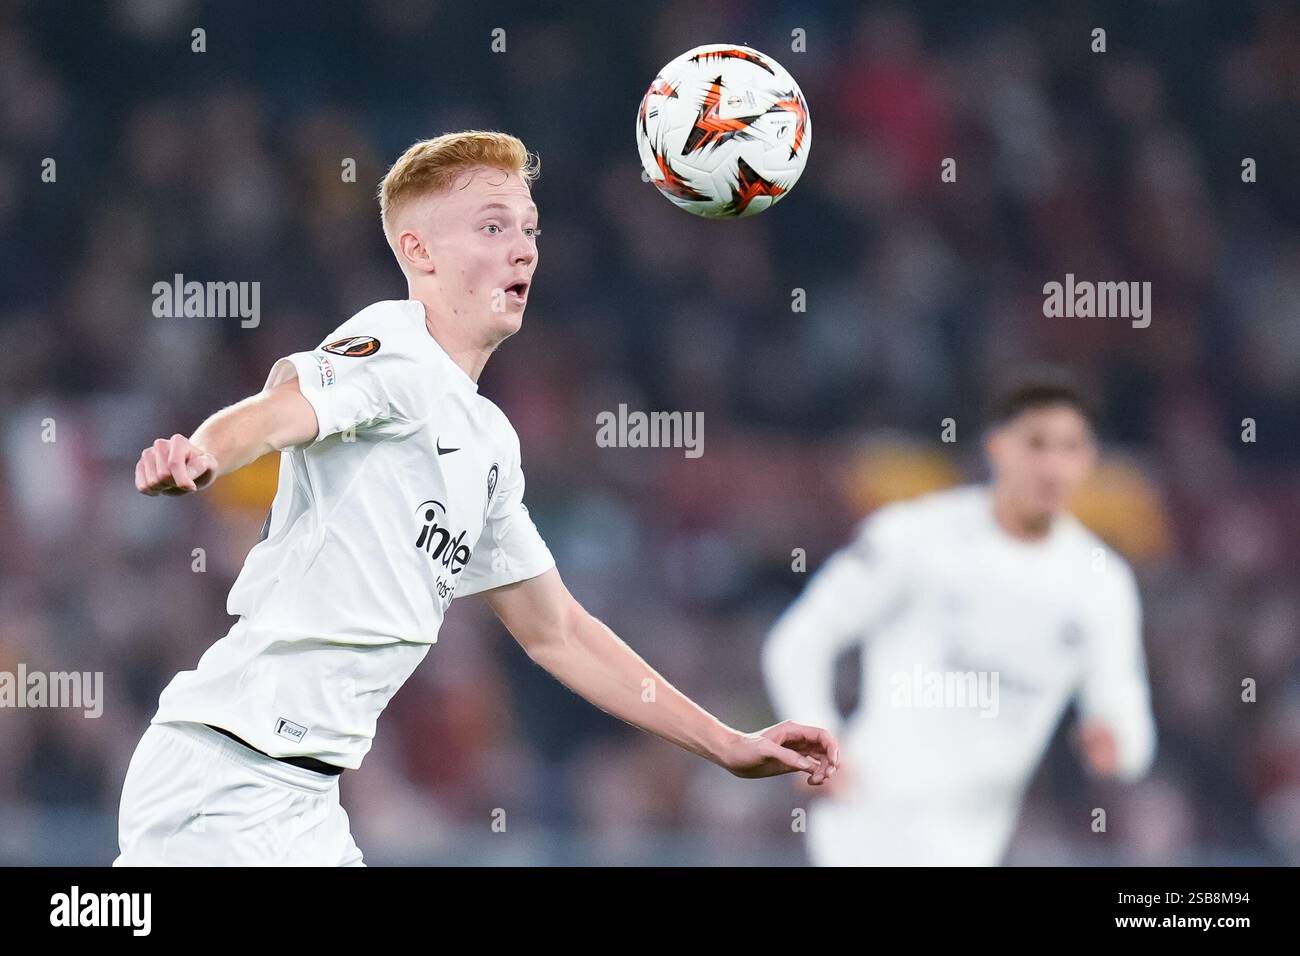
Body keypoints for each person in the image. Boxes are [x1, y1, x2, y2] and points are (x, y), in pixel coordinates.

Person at [117, 130, 838, 866]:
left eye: (528, 229)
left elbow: (556, 631)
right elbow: (279, 411)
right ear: (420, 252)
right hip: (228, 780)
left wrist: (727, 745)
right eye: (493, 227)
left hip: (304, 800)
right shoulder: (393, 347)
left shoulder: (489, 442)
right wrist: (204, 453)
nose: (523, 249)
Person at [763, 371, 1155, 865]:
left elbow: (1126, 710)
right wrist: (815, 739)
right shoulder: (915, 536)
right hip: (868, 822)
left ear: (1089, 460)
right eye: (1036, 444)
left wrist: (1118, 745)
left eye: (1070, 447)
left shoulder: (1100, 581)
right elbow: (800, 639)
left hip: (976, 842)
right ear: (998, 447)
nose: (1052, 466)